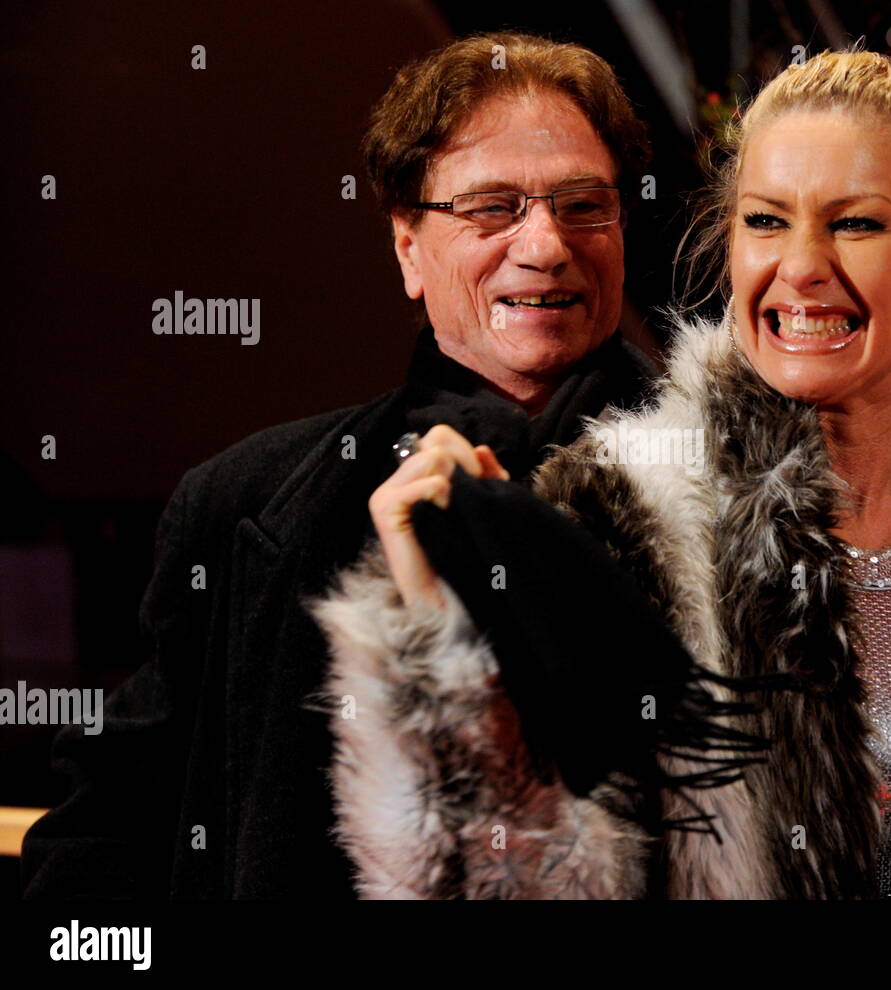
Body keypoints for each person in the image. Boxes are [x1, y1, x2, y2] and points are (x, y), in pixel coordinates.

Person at [312, 47, 891, 899]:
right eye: (765, 222)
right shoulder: (621, 514)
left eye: (857, 223)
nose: (801, 268)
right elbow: (518, 881)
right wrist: (440, 654)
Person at [21, 32, 657, 899]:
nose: (545, 245)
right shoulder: (238, 499)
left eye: (583, 203)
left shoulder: (753, 489)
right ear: (407, 247)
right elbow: (105, 831)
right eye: (491, 207)